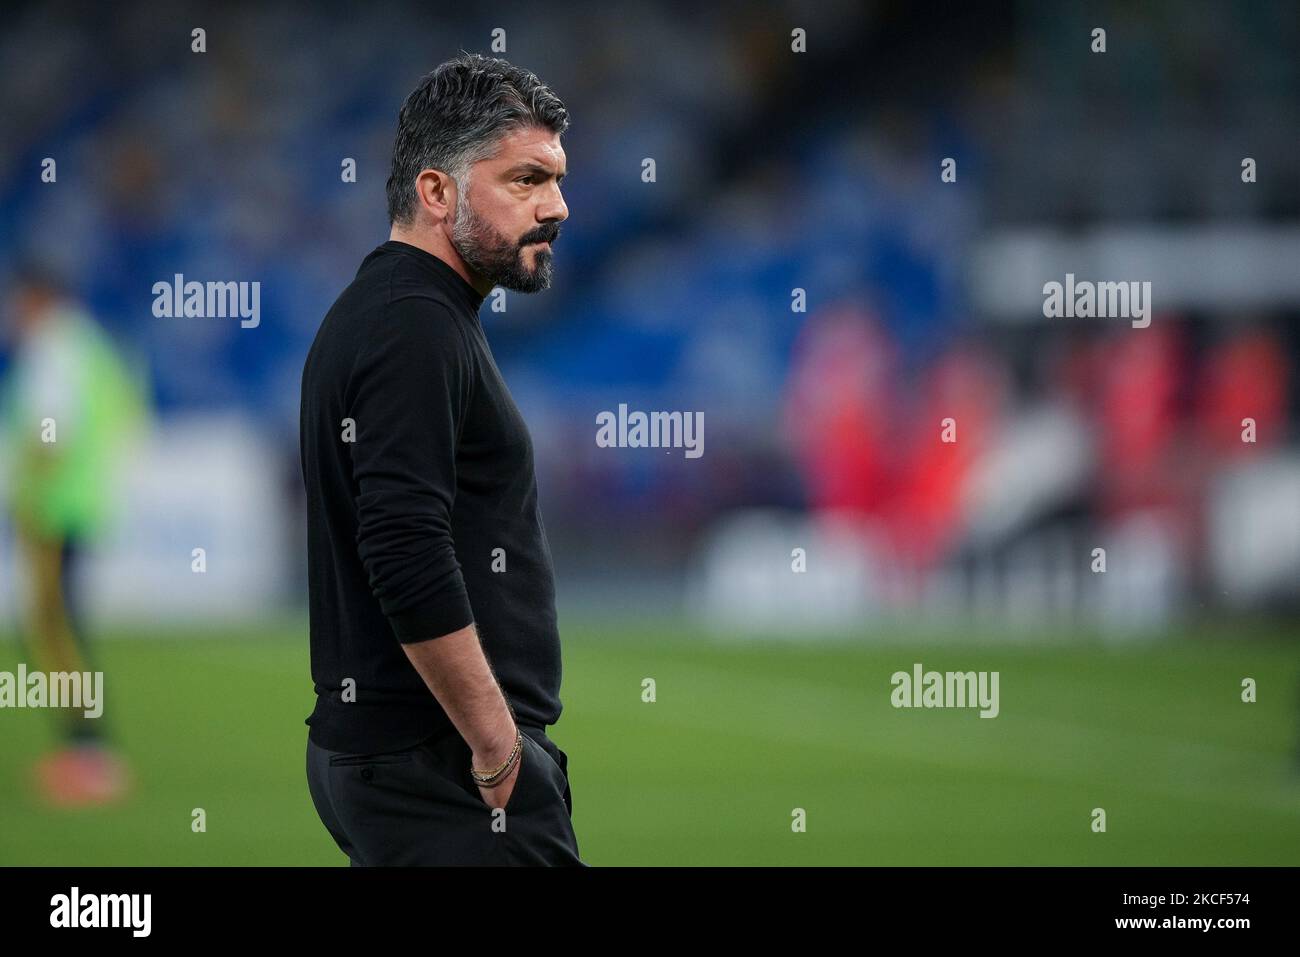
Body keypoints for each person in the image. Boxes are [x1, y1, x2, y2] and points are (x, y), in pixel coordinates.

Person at [299, 53, 583, 865]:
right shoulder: (411, 327)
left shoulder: (405, 312)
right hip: (442, 766)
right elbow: (403, 546)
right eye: (526, 180)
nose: (557, 207)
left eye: (557, 180)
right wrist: (496, 744)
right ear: (436, 192)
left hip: (415, 761)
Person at [1, 263, 146, 807]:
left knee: (51, 630)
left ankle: (88, 754)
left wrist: (26, 497)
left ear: (35, 296)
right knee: (61, 626)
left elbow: (49, 434)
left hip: (51, 509)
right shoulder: (89, 346)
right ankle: (87, 752)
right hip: (80, 505)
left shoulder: (52, 349)